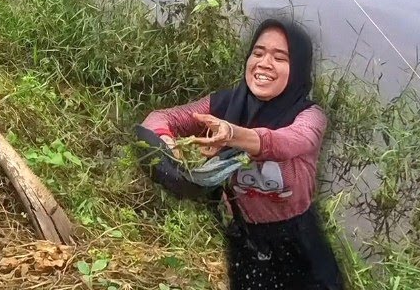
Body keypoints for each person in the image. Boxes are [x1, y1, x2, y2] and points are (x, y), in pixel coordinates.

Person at [141, 19, 344, 290]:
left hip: (298, 238)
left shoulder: (310, 116)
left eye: (280, 57)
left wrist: (234, 134)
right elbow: (160, 118)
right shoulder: (225, 104)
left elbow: (289, 142)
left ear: (298, 69)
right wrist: (168, 142)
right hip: (244, 236)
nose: (264, 63)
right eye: (258, 53)